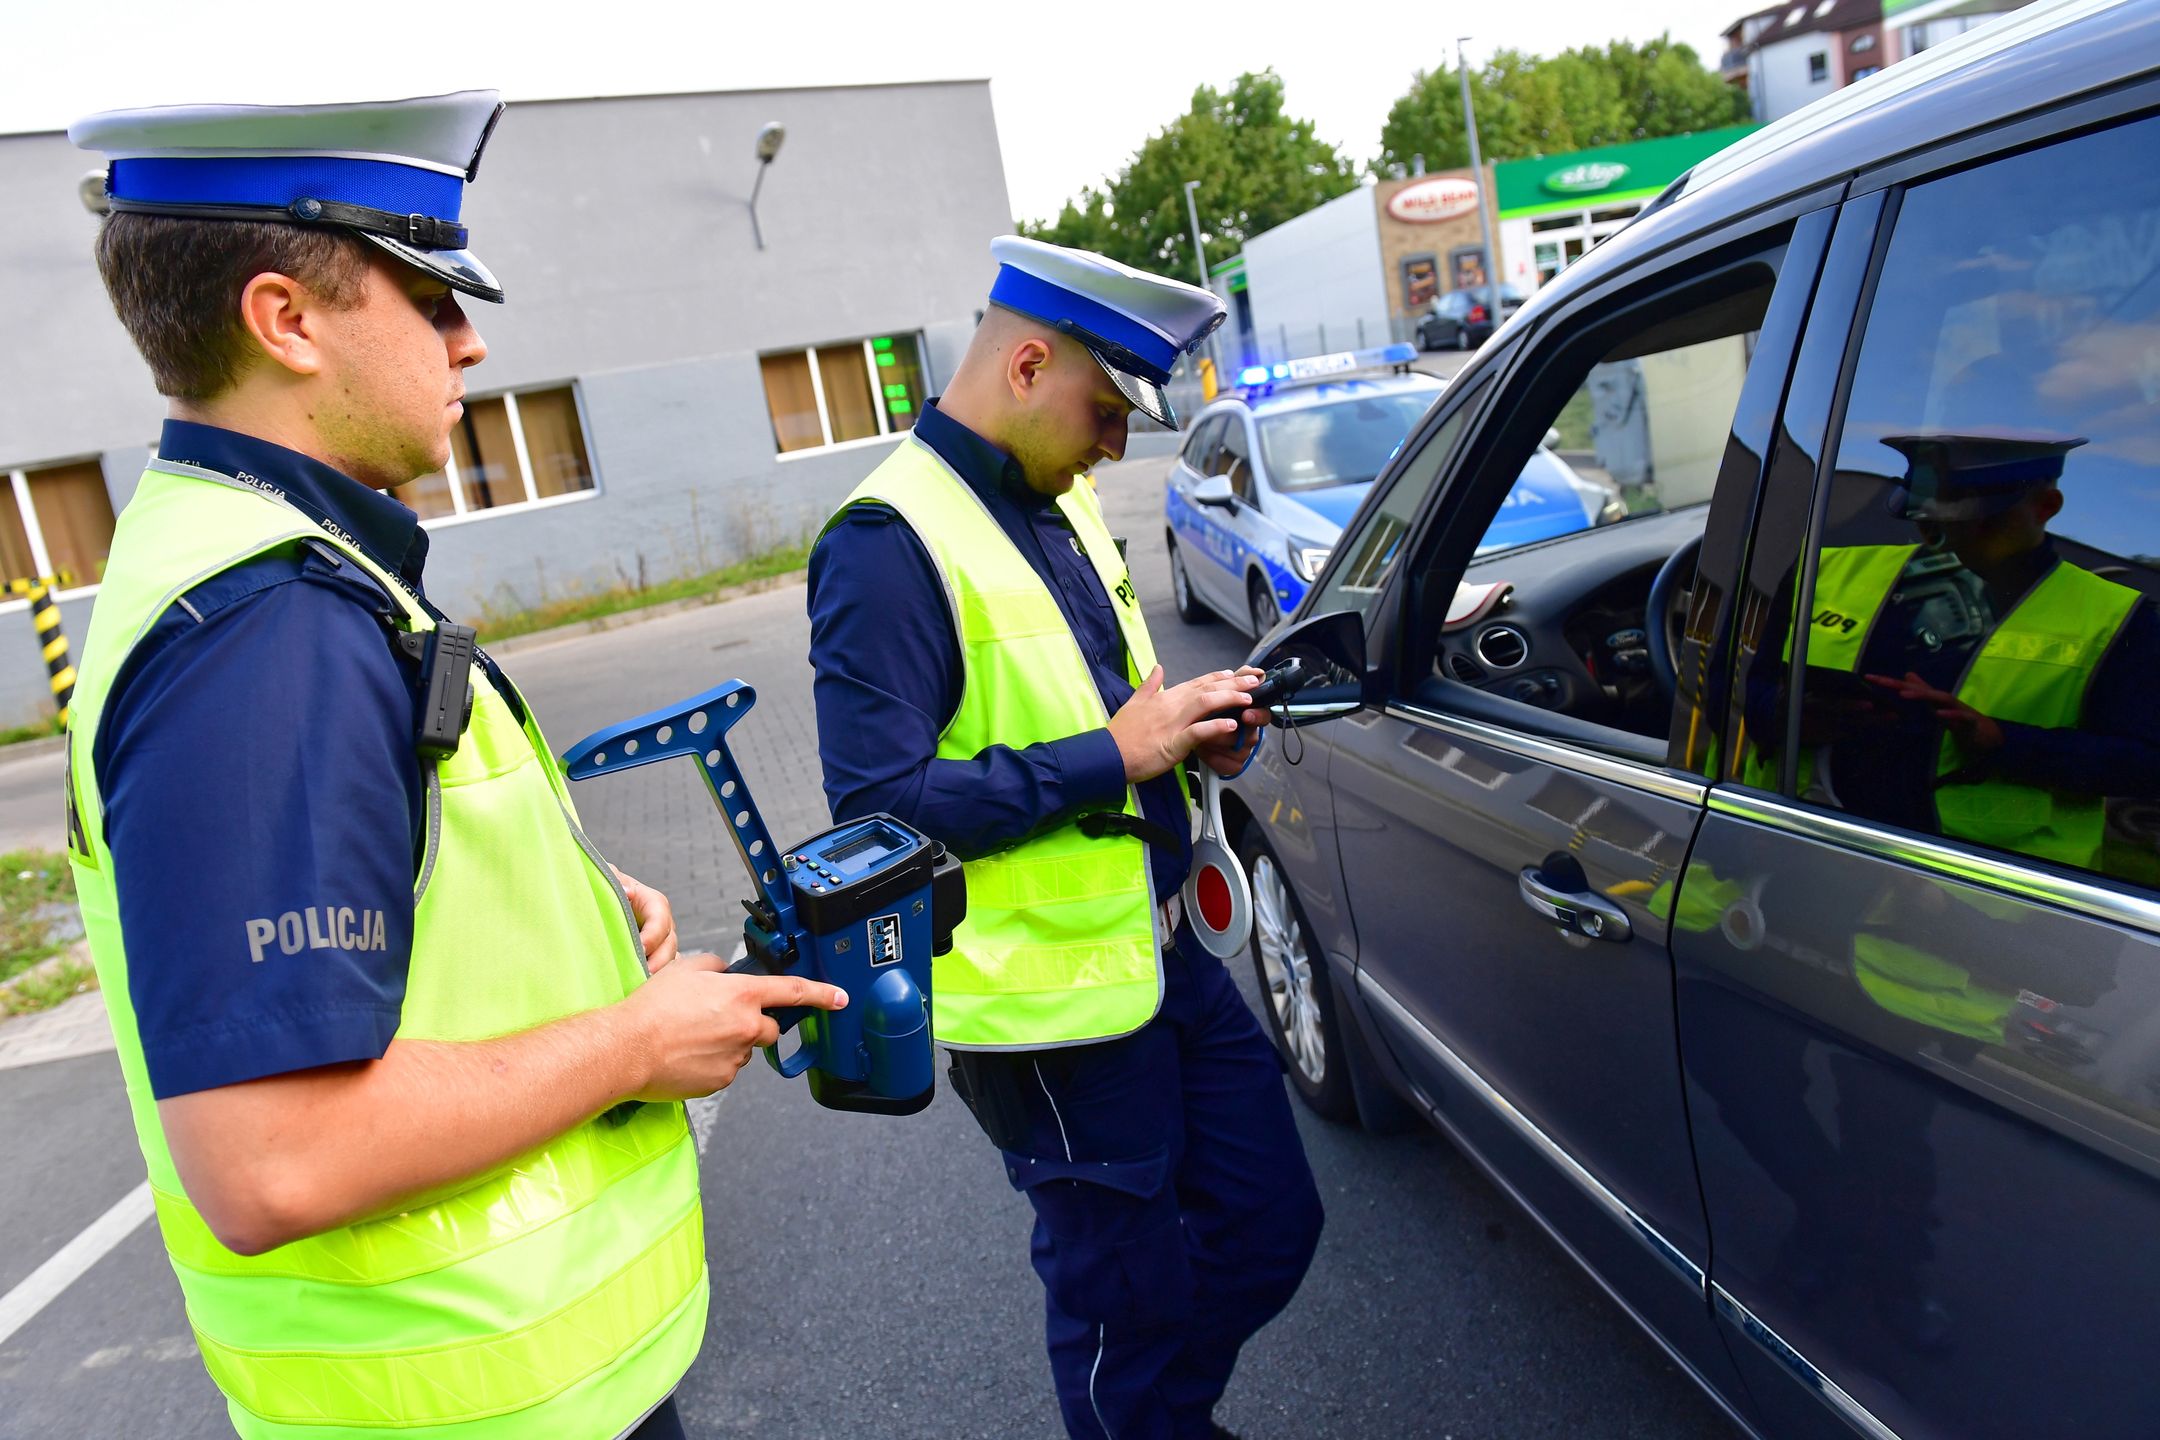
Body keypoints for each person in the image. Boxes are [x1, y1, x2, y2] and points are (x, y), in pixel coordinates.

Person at [65, 92, 844, 1440]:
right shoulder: (266, 630)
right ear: (284, 321)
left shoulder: (261, 567)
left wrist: (562, 899)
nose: (471, 339)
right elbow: (269, 1154)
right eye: (428, 298)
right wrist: (631, 1040)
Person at [806, 235, 1325, 1440]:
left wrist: (1189, 737)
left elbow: (1108, 702)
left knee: (1269, 1225)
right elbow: (876, 812)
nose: (1114, 446)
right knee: (1121, 1311)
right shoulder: (884, 542)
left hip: (1154, 959)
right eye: (1106, 412)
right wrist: (1119, 755)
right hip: (1047, 1011)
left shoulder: (1063, 498)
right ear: (1028, 363)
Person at [1744, 430, 2160, 873]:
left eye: (1979, 520)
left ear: (2045, 508)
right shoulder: (1824, 573)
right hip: (1806, 850)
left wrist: (2001, 742)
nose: (1950, 539)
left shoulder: (2116, 619)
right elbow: (1739, 693)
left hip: (1993, 893)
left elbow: (2145, 766)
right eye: (1931, 522)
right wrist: (1791, 713)